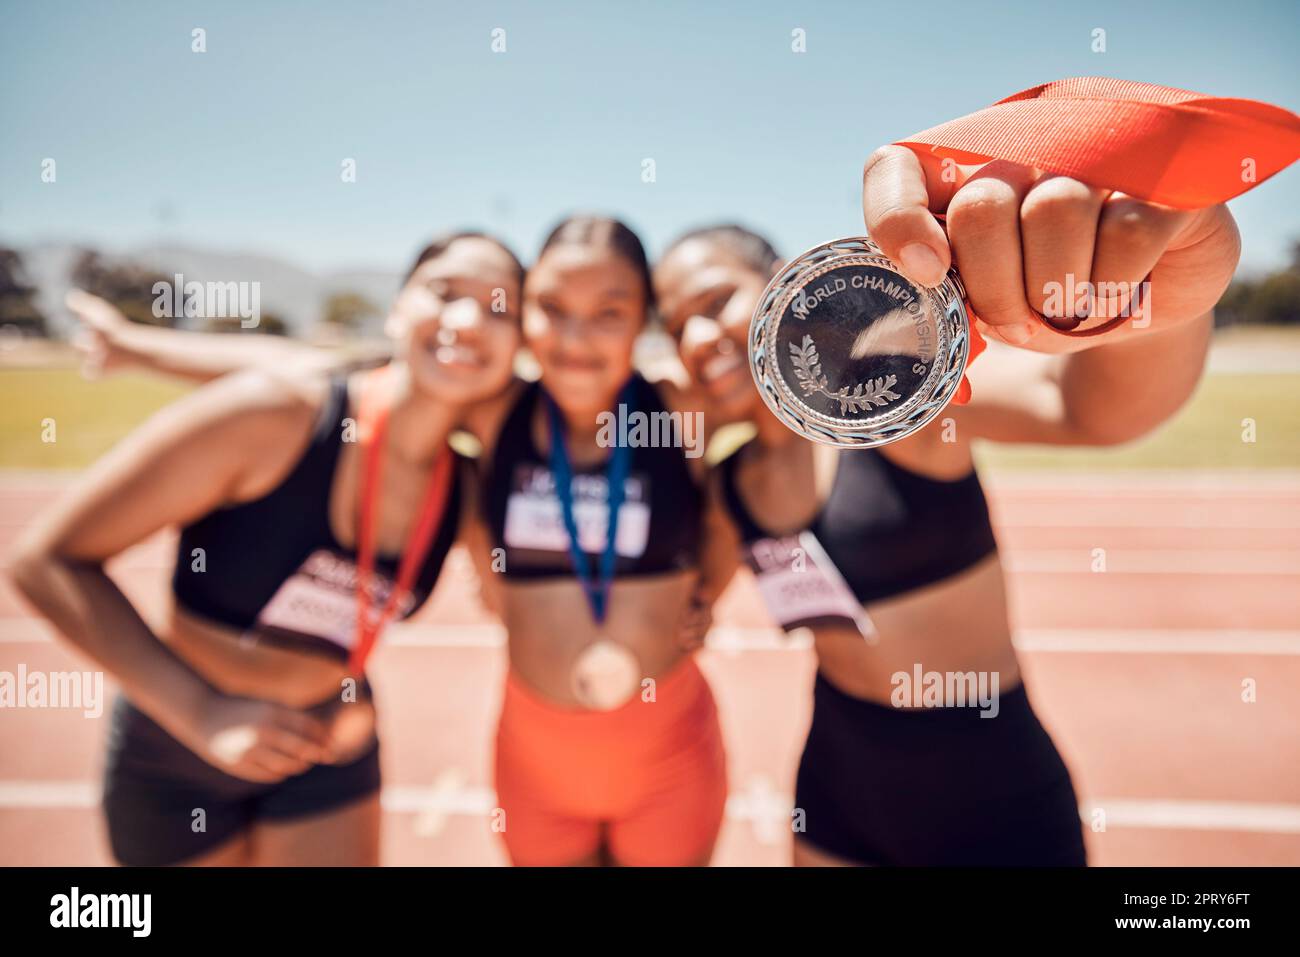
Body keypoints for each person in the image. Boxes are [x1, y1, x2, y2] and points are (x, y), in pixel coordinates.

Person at [651, 145, 1239, 865]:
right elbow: (685, 606)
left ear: (786, 284)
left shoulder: (903, 415)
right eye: (678, 325)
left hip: (990, 785)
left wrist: (1159, 293)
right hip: (837, 786)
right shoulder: (729, 482)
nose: (699, 336)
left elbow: (1083, 408)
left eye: (715, 303)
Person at [10, 232, 525, 866]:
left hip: (327, 754)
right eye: (444, 292)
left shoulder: (466, 490)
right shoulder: (275, 416)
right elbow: (44, 561)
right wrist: (202, 712)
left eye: (501, 308)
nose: (470, 320)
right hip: (181, 752)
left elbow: (522, 604)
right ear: (396, 310)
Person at [468, 215, 733, 866]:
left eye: (609, 313)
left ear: (645, 320)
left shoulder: (681, 411)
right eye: (552, 309)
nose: (575, 339)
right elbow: (337, 387)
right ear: (524, 311)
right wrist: (486, 573)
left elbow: (773, 442)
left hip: (667, 753)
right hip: (535, 759)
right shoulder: (489, 409)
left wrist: (713, 585)